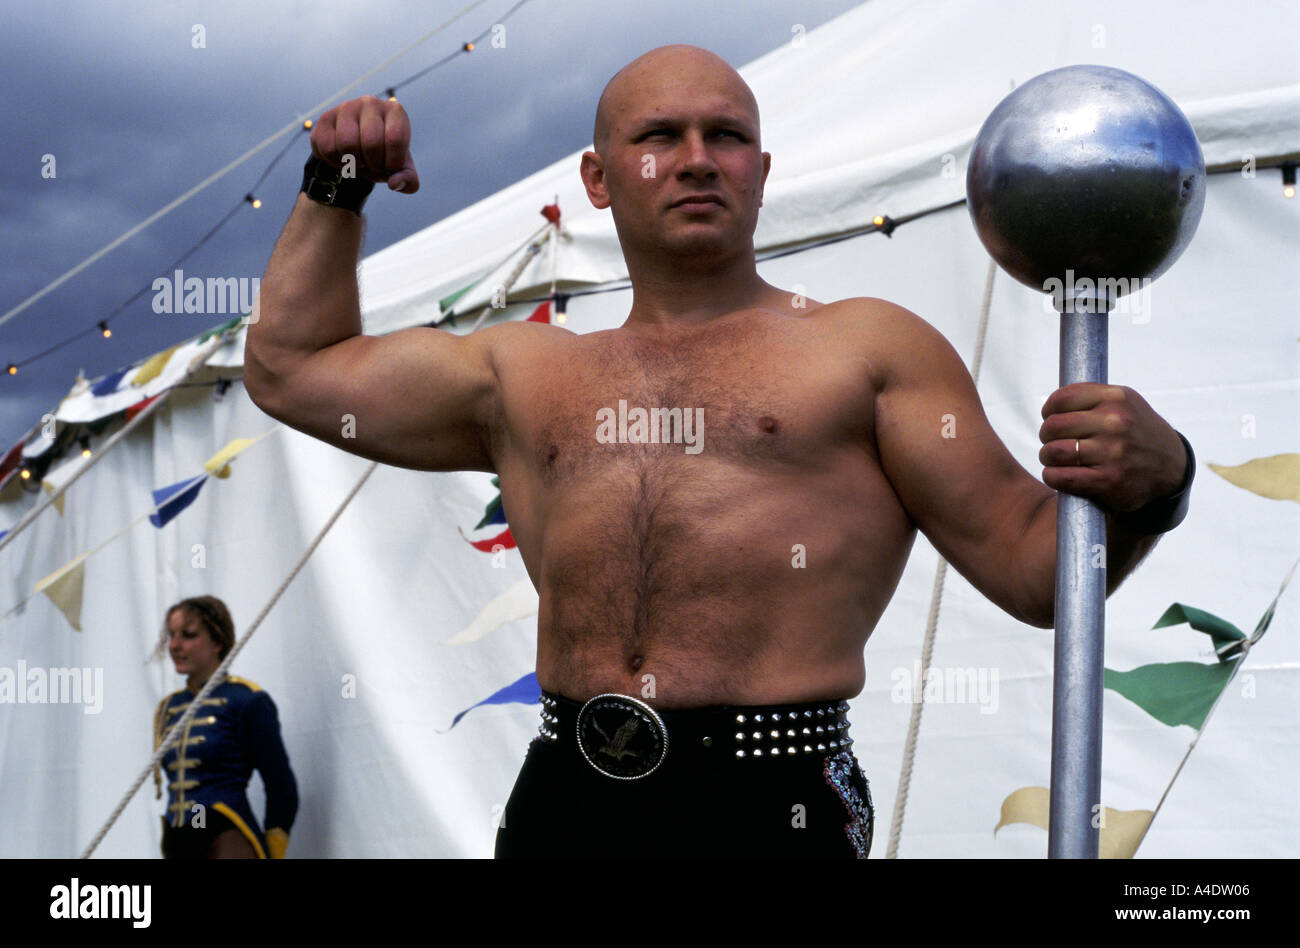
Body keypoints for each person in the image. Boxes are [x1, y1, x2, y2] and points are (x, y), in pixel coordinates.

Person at [245, 45, 1193, 858]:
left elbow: (1036, 573)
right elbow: (291, 369)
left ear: (762, 169)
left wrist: (1158, 485)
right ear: (598, 179)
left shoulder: (867, 350)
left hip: (771, 799)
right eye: (658, 137)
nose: (697, 160)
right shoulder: (521, 375)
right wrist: (339, 187)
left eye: (726, 136)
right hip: (566, 795)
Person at [153, 595, 298, 859]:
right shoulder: (168, 708)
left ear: (217, 642)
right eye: (171, 635)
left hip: (225, 834)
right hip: (178, 841)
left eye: (188, 635)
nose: (174, 645)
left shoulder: (247, 700)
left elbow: (281, 786)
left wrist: (275, 847)